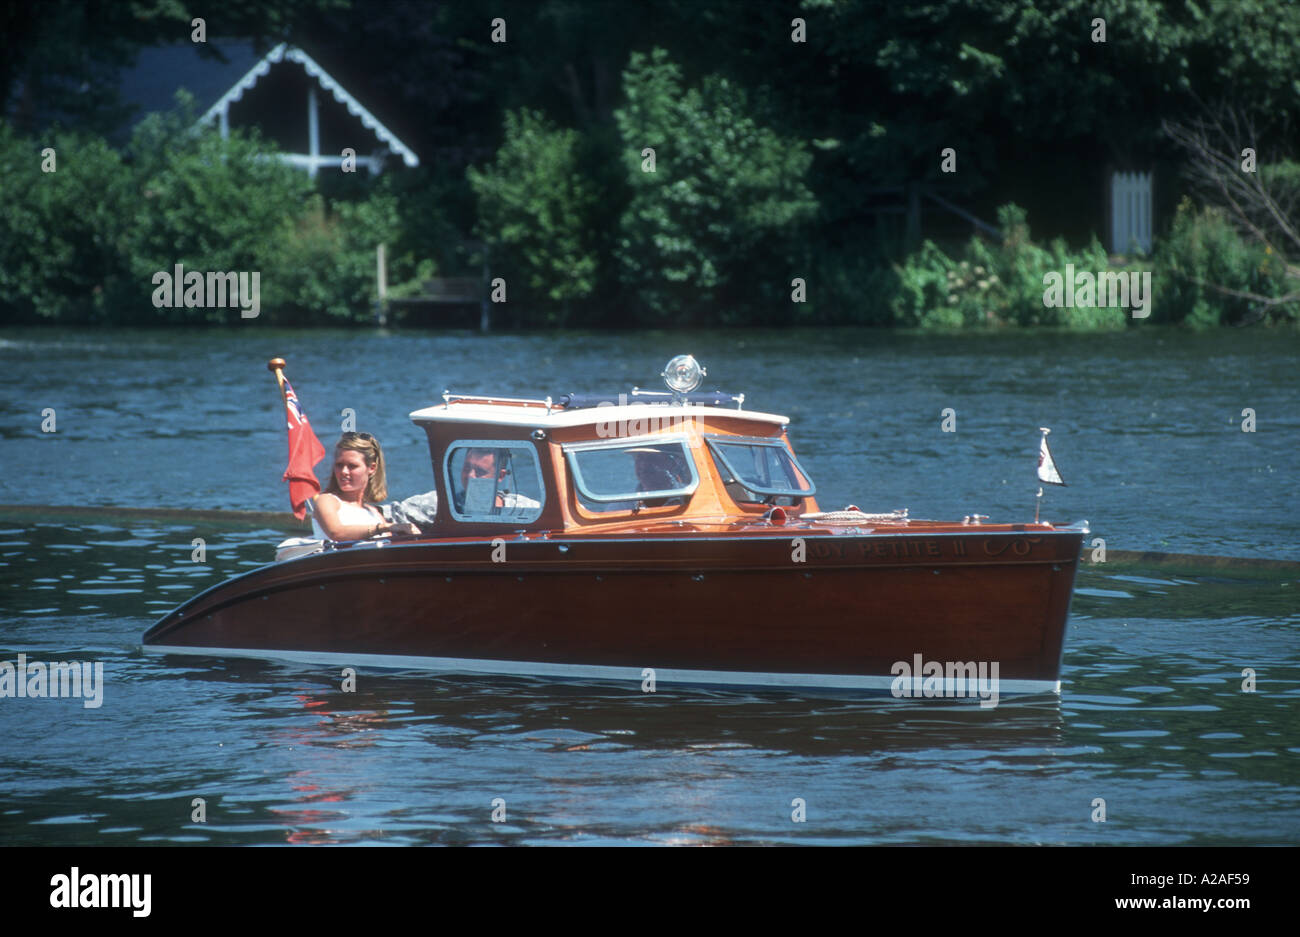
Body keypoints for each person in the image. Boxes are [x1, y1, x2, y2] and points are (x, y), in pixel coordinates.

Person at [312, 432, 421, 540]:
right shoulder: (326, 500)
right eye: (339, 465)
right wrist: (385, 527)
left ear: (372, 468)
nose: (344, 471)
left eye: (352, 466)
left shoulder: (374, 513)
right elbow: (336, 533)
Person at [454, 447, 540, 514]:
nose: (470, 475)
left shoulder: (530, 509)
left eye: (480, 471)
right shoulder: (446, 507)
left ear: (500, 476)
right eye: (467, 468)